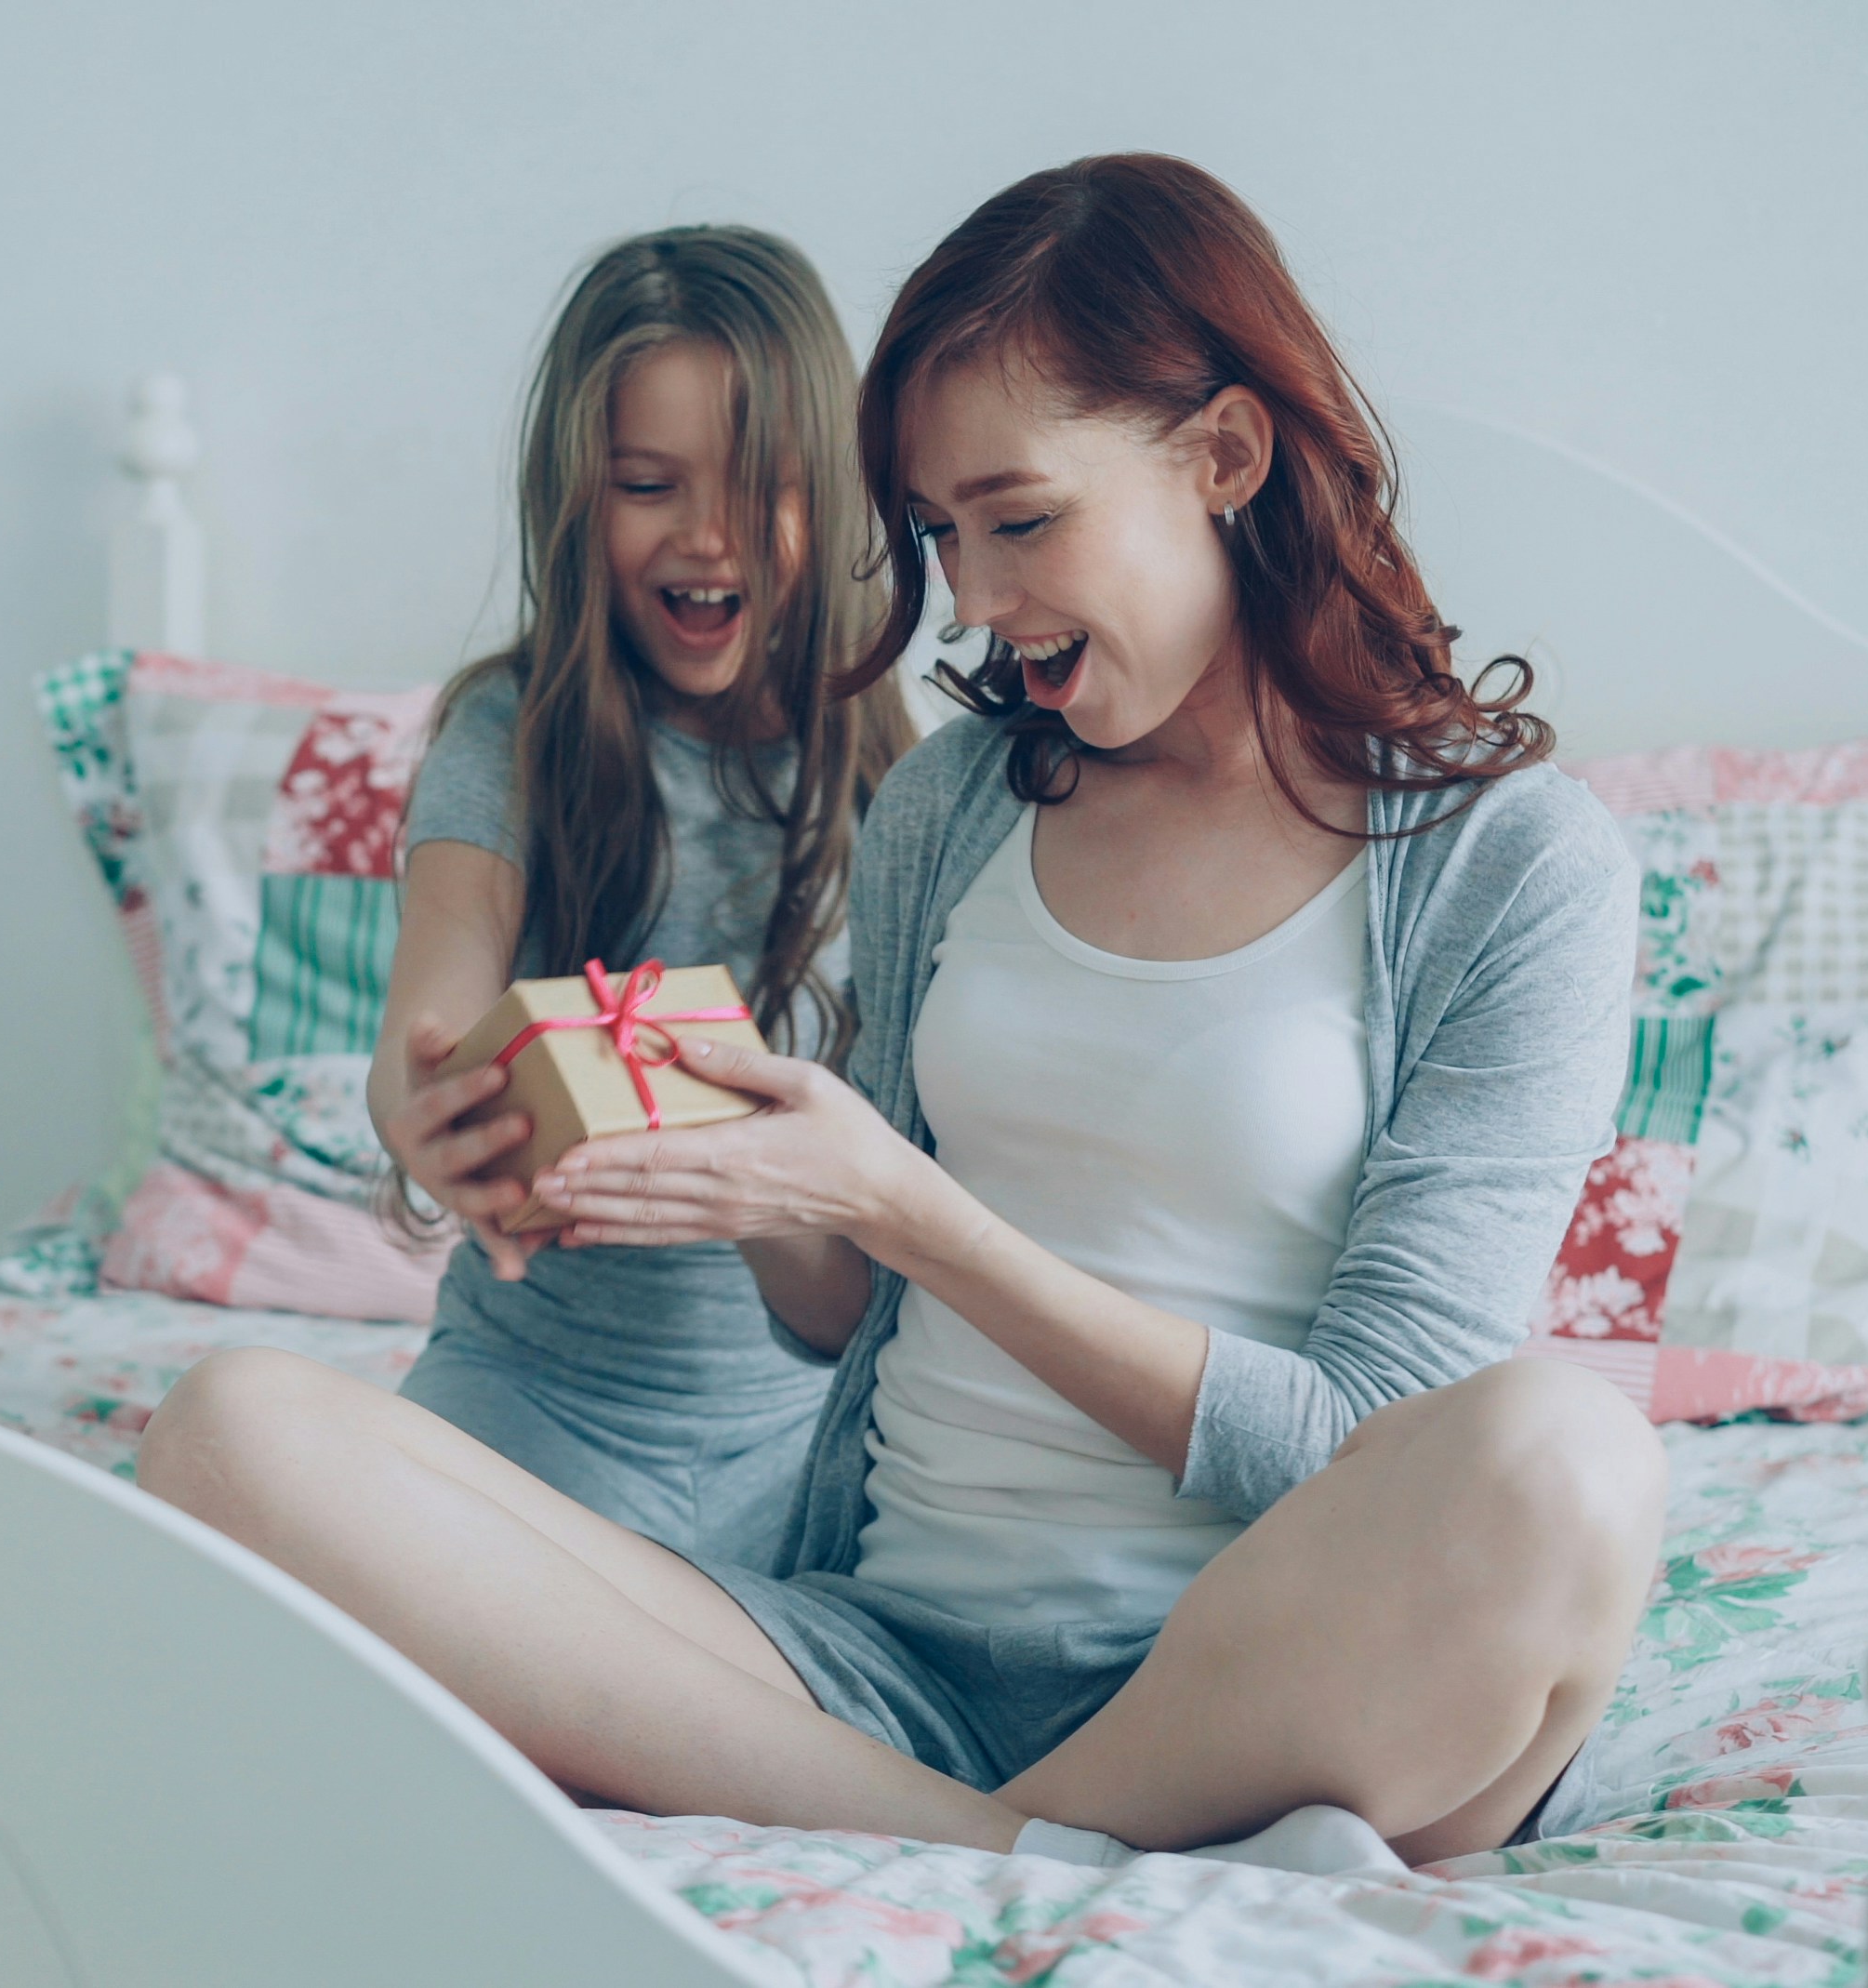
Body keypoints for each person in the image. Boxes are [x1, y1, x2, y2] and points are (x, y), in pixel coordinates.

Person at [143, 156, 1662, 1870]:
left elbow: (1360, 1442)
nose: (974, 602)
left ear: (1226, 457)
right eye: (939, 535)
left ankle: (985, 1832)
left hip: (1254, 1672)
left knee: (1567, 1464)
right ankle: (1017, 1850)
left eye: (1021, 521)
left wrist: (909, 1207)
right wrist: (757, 1176)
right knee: (232, 1430)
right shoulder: (954, 806)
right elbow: (845, 1321)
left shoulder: (1509, 865)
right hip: (877, 1661)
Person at [367, 225, 914, 1563]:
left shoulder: (907, 794)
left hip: (809, 1436)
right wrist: (431, 1119)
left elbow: (854, 1303)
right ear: (574, 499)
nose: (708, 535)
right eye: (647, 484)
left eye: (762, 485)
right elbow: (429, 1015)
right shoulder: (509, 736)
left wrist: (743, 1176)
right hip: (527, 1397)